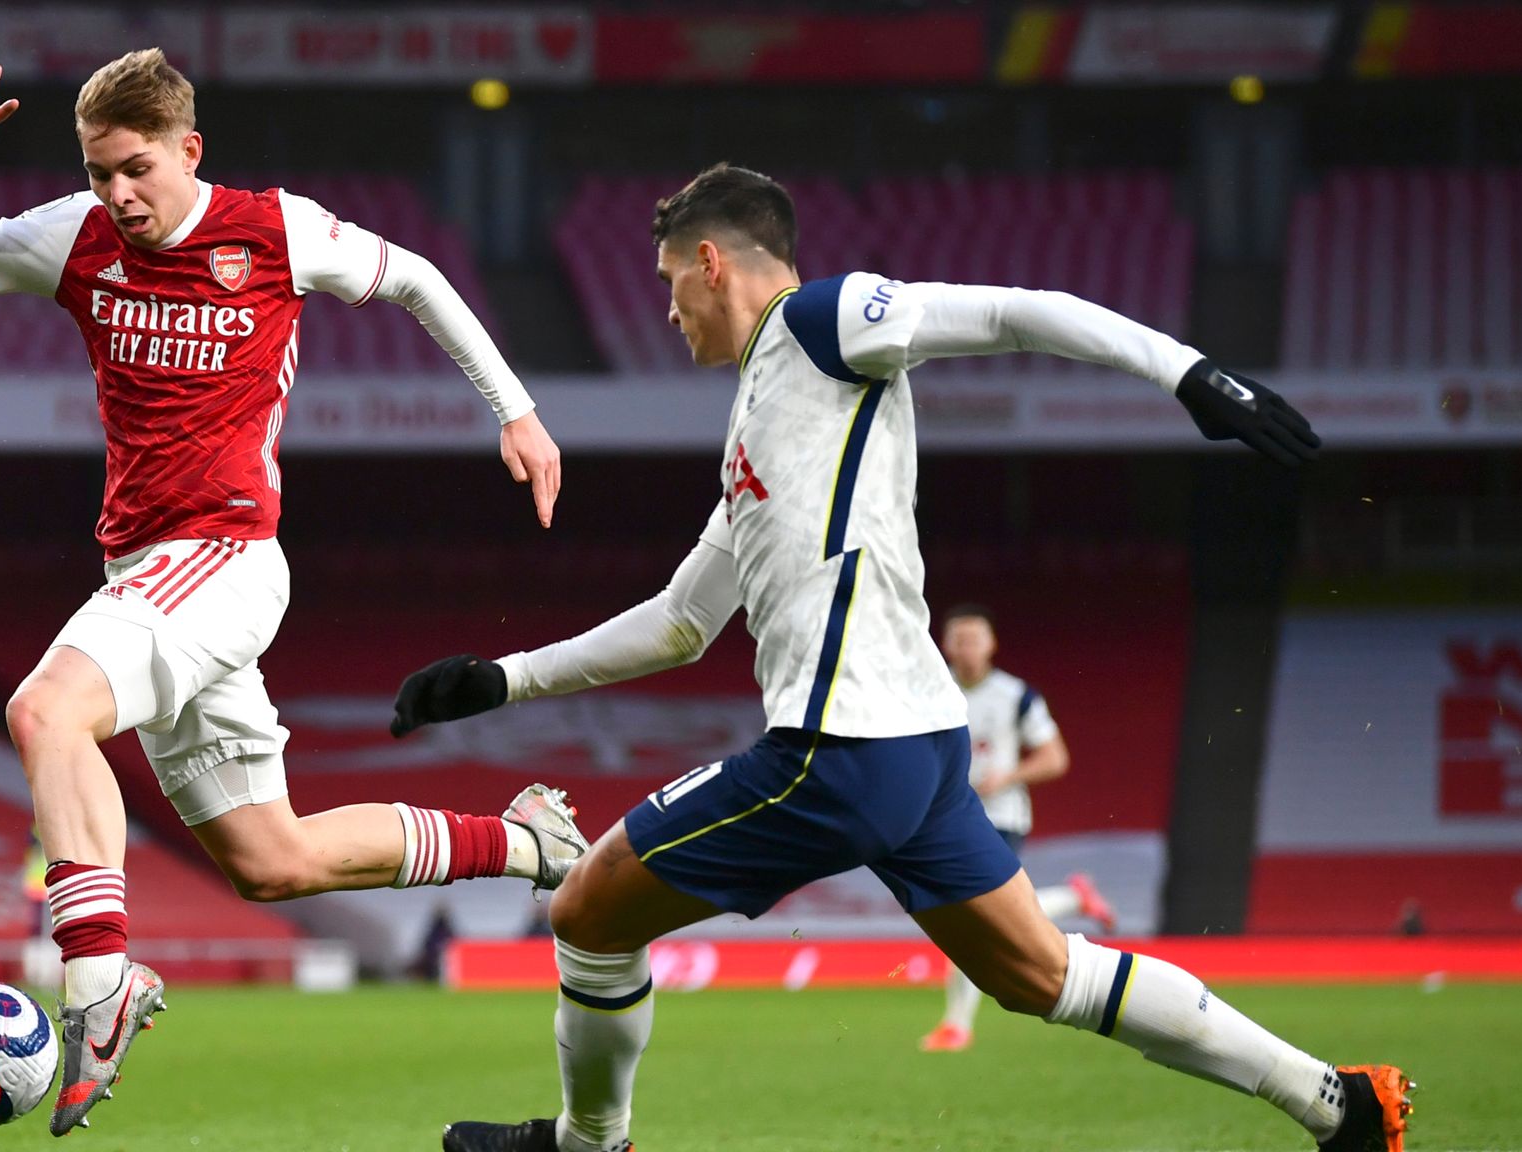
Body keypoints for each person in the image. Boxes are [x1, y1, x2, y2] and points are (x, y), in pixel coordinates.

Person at [391, 165, 1413, 1152]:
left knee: (585, 910)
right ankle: (1337, 1106)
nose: (665, 311)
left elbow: (1018, 310)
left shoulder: (821, 320)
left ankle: (587, 1146)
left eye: (667, 283)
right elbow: (680, 621)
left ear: (710, 261)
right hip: (914, 748)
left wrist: (1185, 372)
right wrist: (503, 678)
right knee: (1042, 974)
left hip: (835, 748)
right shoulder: (759, 421)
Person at [0, 51, 585, 1135]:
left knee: (45, 709)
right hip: (147, 573)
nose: (117, 194)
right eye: (97, 171)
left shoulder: (273, 230)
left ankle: (95, 986)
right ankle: (524, 841)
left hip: (225, 556)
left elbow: (415, 277)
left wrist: (515, 409)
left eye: (134, 169)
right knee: (273, 861)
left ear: (187, 151)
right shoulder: (77, 234)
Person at [919, 604, 1115, 1052]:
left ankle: (956, 1025)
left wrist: (1006, 777)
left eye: (976, 639)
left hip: (999, 815)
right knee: (982, 914)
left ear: (992, 644)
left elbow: (1055, 757)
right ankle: (1073, 897)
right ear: (944, 645)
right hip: (942, 815)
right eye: (959, 639)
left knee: (972, 911)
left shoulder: (1016, 695)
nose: (967, 649)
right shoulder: (926, 688)